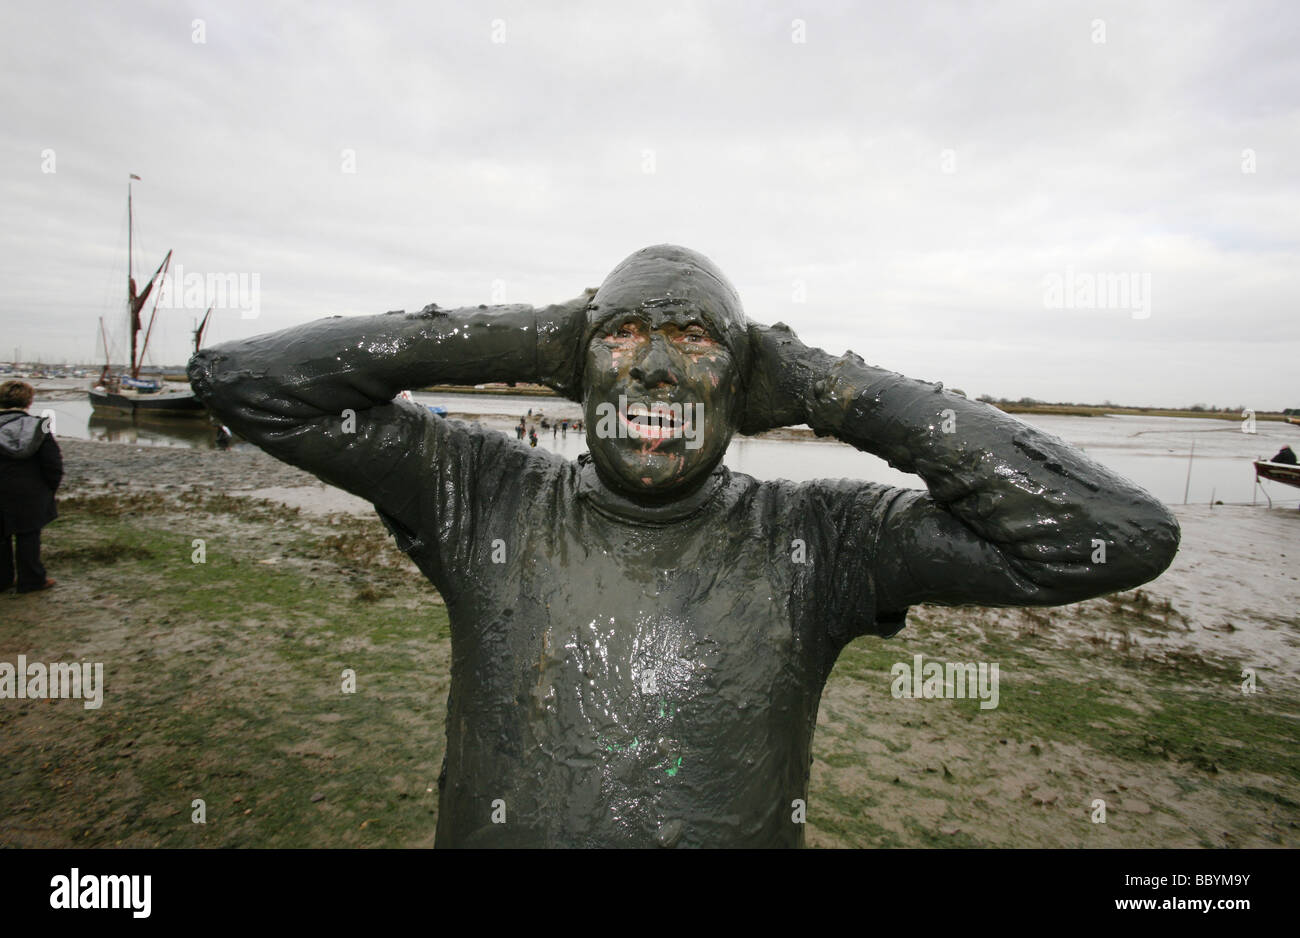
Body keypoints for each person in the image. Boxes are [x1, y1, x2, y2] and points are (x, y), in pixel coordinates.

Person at [188, 244, 1180, 847]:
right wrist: (534, 337)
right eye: (620, 336)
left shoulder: (820, 540)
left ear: (746, 383)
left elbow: (1114, 536)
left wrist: (829, 386)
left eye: (700, 344)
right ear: (574, 361)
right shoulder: (479, 493)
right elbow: (243, 381)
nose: (657, 368)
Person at [0, 380, 62, 594]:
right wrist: (50, 487)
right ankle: (32, 580)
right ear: (28, 401)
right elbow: (53, 462)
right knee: (29, 535)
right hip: (30, 490)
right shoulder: (41, 425)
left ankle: (2, 579)